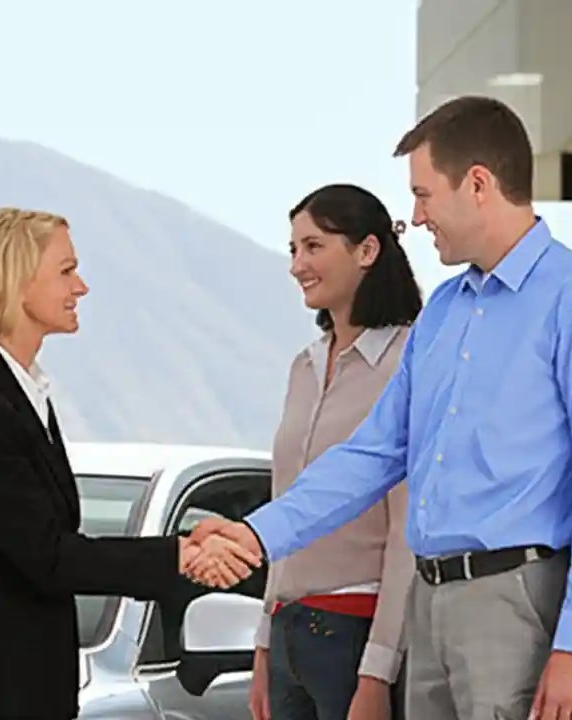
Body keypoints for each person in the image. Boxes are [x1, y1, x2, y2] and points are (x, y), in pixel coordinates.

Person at [189, 96, 572, 720]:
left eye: (424, 195)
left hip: (515, 603)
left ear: (477, 183)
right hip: (426, 607)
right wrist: (257, 533)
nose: (416, 215)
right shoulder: (444, 313)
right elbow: (375, 453)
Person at [0, 207, 258, 719]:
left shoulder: (18, 392)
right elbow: (48, 558)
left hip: (31, 684)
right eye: (66, 271)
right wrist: (181, 554)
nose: (80, 287)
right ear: (17, 281)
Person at [248, 184, 422, 720]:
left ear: (367, 251)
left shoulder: (409, 361)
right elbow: (287, 511)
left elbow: (405, 533)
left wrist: (377, 671)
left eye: (314, 246)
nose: (297, 264)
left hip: (355, 633)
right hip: (288, 632)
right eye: (294, 248)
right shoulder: (302, 367)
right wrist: (263, 645)